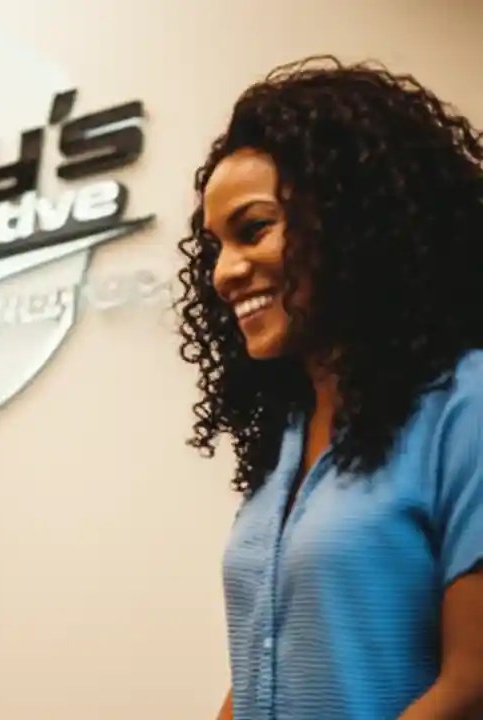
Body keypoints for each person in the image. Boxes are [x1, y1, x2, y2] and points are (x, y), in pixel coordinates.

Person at [176, 56, 483, 720]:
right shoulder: (289, 433)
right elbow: (266, 665)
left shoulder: (468, 404)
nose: (224, 273)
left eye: (253, 230)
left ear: (352, 220)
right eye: (216, 246)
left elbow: (470, 687)